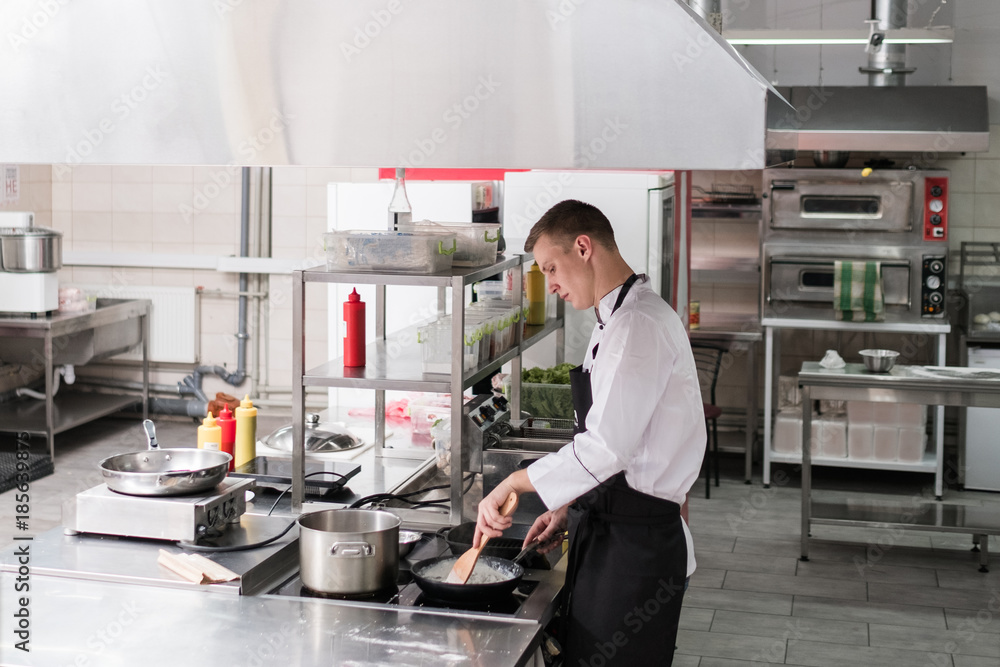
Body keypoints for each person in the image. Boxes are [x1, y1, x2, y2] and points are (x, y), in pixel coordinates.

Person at [474, 199, 705, 666]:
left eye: (550, 267)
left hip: (635, 548)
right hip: (615, 530)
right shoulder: (615, 319)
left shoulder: (638, 325)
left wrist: (513, 482)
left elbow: (607, 447)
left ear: (583, 247)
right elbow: (623, 440)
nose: (550, 283)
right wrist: (565, 505)